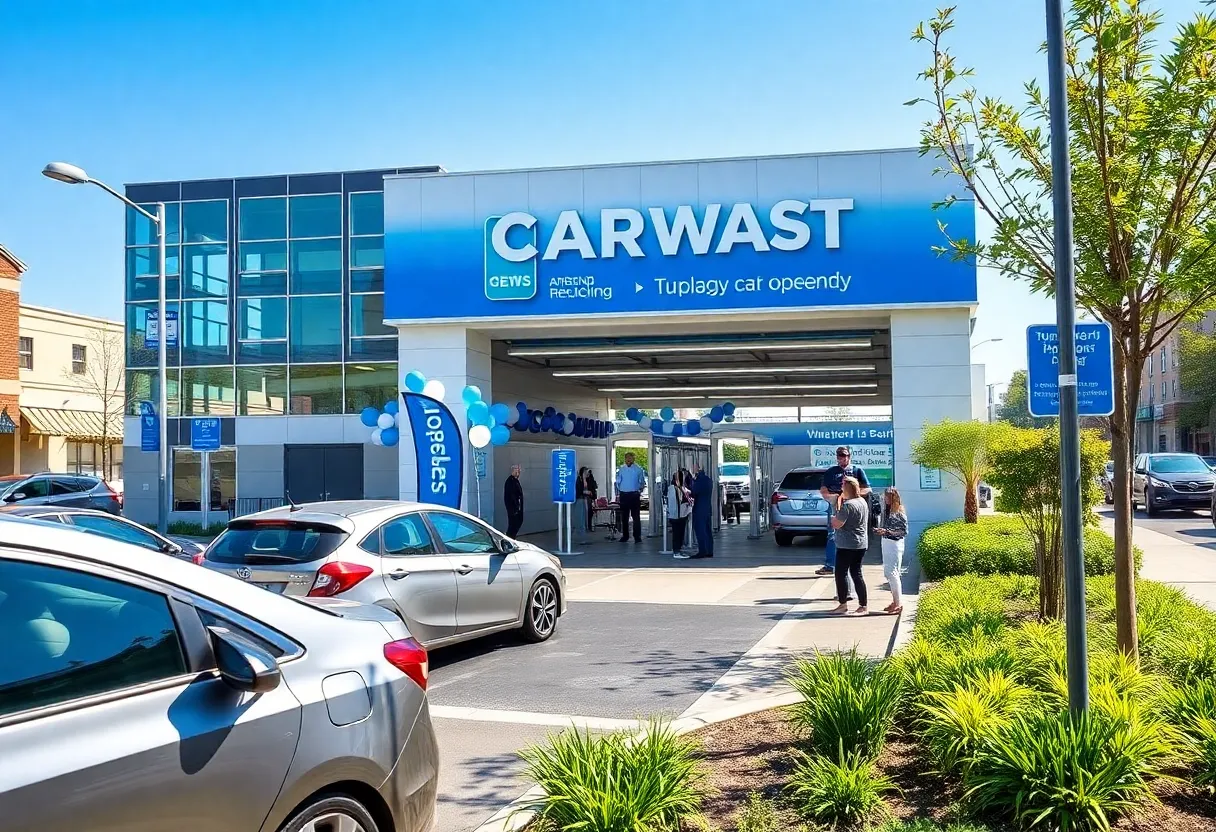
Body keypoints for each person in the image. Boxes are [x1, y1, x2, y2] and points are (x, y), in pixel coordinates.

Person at [817, 446, 872, 577]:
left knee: (853, 531)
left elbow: (868, 489)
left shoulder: (857, 470)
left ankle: (853, 563)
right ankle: (830, 565)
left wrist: (854, 495)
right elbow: (823, 489)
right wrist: (831, 498)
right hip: (836, 504)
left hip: (852, 505)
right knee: (832, 534)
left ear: (849, 457)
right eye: (840, 456)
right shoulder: (831, 472)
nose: (843, 459)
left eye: (845, 456)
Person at [830, 476, 869, 615]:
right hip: (860, 544)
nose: (841, 488)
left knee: (841, 574)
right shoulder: (862, 502)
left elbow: (837, 524)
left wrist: (833, 517)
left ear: (847, 488)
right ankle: (863, 605)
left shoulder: (848, 505)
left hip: (847, 545)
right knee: (856, 573)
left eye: (842, 486)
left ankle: (843, 604)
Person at [875, 487, 908, 614]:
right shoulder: (886, 510)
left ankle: (898, 603)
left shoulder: (899, 512)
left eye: (888, 497)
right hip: (886, 542)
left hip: (894, 544)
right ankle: (895, 601)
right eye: (885, 496)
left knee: (892, 573)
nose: (886, 499)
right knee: (888, 573)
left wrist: (887, 531)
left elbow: (903, 531)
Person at [680, 462, 714, 559]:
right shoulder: (708, 479)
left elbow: (694, 492)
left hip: (699, 509)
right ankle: (709, 550)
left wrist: (685, 490)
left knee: (700, 530)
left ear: (698, 468)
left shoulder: (700, 480)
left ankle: (702, 551)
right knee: (707, 531)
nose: (692, 469)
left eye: (693, 467)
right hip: (706, 508)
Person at [615, 452, 646, 542]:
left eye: (630, 458)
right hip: (624, 494)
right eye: (627, 458)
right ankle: (625, 536)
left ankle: (637, 536)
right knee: (624, 517)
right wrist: (618, 488)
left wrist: (640, 490)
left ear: (633, 459)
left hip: (634, 495)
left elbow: (642, 482)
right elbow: (618, 481)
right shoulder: (621, 469)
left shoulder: (639, 470)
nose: (628, 460)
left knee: (636, 516)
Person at [666, 470, 692, 555]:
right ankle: (676, 551)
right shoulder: (673, 489)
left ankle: (678, 549)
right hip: (677, 515)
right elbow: (675, 503)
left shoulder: (680, 488)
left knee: (680, 533)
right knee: (677, 534)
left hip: (681, 514)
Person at [575, 467, 598, 536]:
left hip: (588, 499)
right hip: (581, 498)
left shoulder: (589, 479)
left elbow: (594, 488)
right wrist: (586, 492)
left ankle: (588, 526)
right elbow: (579, 490)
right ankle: (581, 529)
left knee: (589, 513)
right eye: (586, 472)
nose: (587, 474)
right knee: (582, 515)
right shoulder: (579, 479)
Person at [504, 464, 524, 538]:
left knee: (517, 523)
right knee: (513, 525)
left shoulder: (515, 481)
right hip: (513, 508)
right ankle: (509, 538)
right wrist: (515, 508)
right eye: (517, 471)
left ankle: (511, 537)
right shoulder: (510, 481)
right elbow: (511, 496)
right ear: (513, 471)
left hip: (517, 508)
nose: (519, 473)